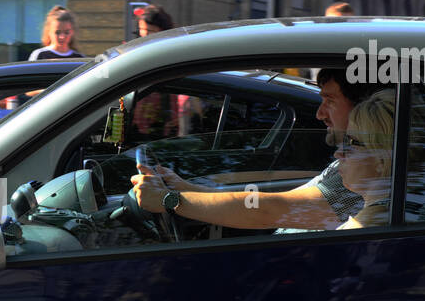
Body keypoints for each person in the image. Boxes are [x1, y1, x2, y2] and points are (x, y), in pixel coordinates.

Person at [131, 68, 381, 231]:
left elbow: (271, 210)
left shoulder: (370, 169)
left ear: (362, 106)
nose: (319, 113)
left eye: (330, 100)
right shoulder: (354, 159)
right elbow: (274, 203)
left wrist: (170, 200)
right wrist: (187, 189)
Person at [333, 90, 397, 229]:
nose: (338, 153)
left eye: (350, 142)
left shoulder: (362, 229)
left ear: (382, 157)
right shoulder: (398, 210)